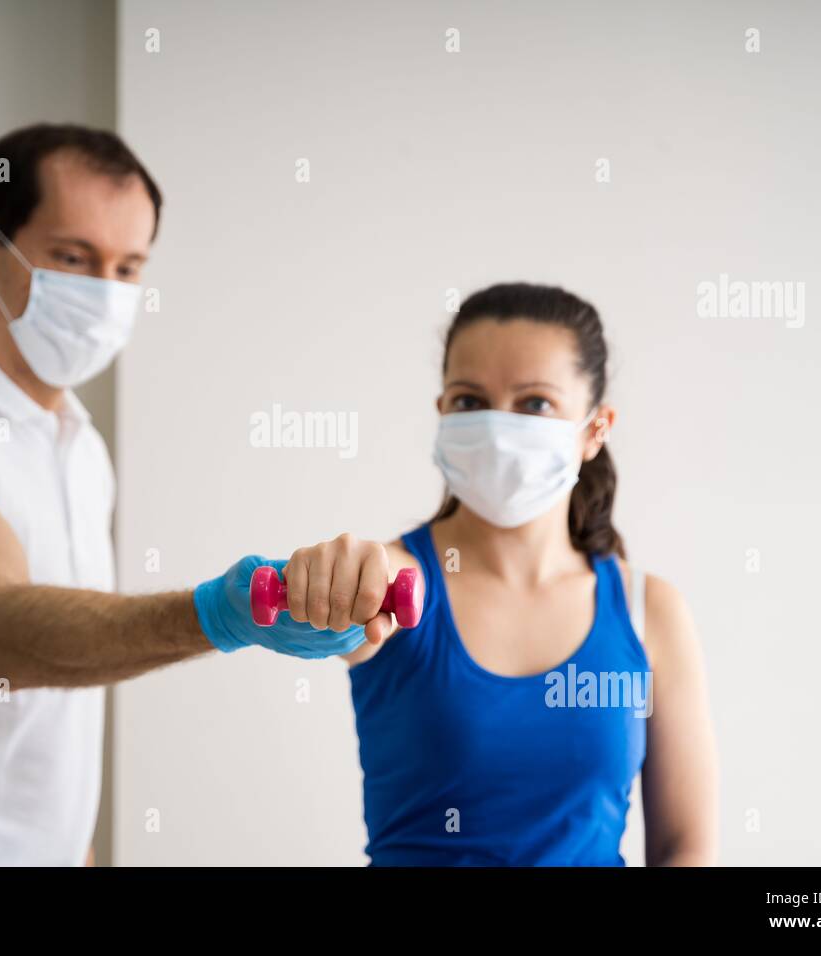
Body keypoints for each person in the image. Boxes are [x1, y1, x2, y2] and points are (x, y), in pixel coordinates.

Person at [0, 124, 363, 866]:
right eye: (73, 258)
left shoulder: (79, 443)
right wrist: (217, 614)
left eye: (128, 267)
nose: (104, 292)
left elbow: (49, 716)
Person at [278, 283, 720, 865]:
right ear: (441, 413)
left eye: (535, 403)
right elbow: (326, 600)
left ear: (596, 429)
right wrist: (313, 582)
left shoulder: (648, 611)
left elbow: (684, 847)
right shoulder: (393, 585)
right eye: (470, 401)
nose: (495, 429)